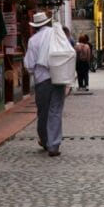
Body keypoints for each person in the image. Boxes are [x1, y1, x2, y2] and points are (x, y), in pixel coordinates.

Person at [23, 11, 66, 157]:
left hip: (42, 80)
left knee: (43, 112)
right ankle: (54, 145)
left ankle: (45, 140)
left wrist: (35, 70)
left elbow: (29, 64)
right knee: (56, 110)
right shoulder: (56, 34)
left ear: (35, 26)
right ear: (47, 22)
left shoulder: (33, 40)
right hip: (59, 76)